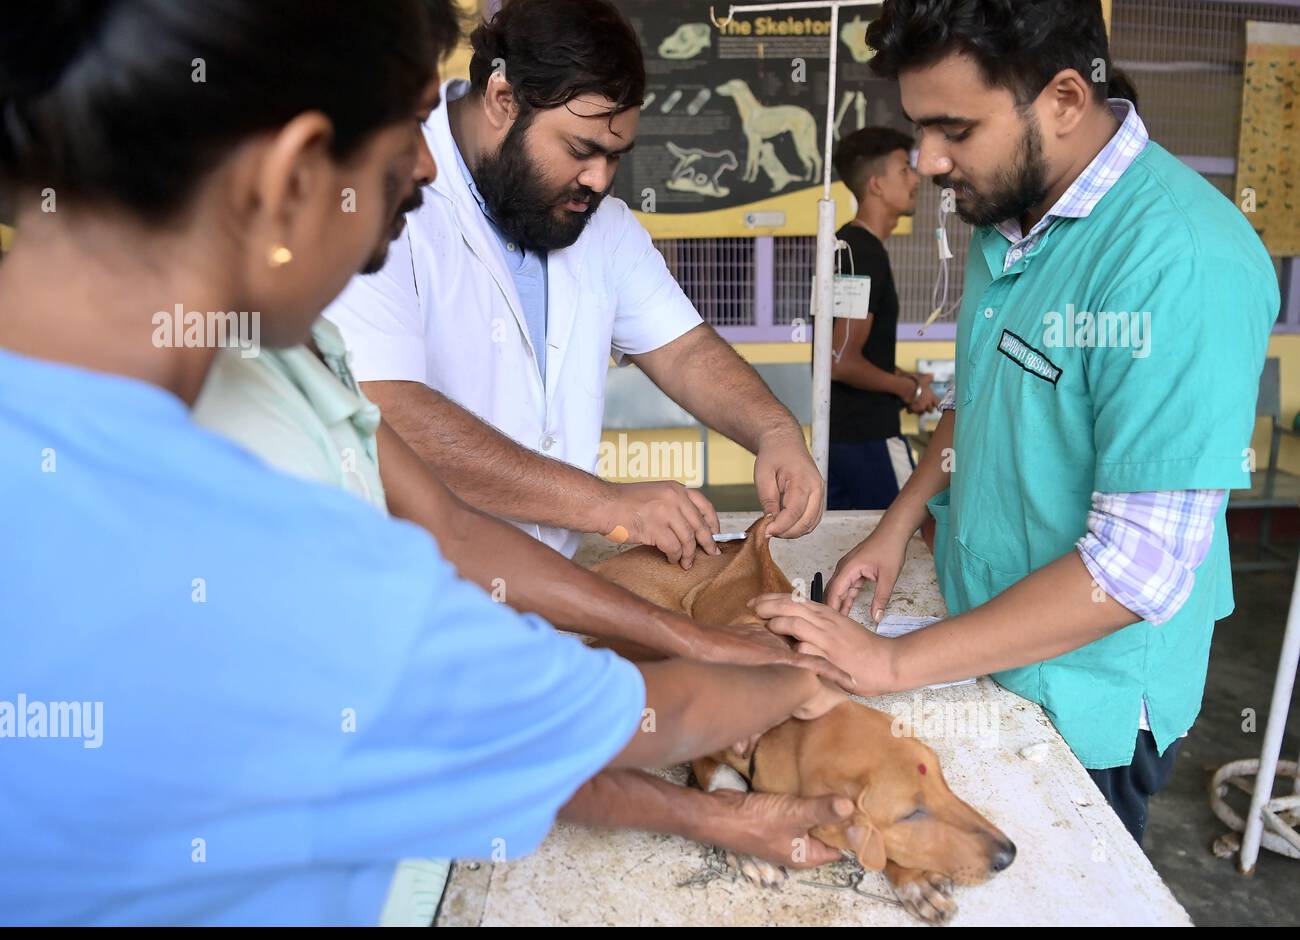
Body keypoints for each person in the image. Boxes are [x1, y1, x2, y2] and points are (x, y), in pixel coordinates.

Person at [0, 0, 845, 925]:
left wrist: (694, 636)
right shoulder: (282, 562)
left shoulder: (283, 358)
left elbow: (451, 535)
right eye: (406, 128)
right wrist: (796, 676)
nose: (426, 163)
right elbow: (579, 720)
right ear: (289, 178)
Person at [752, 0, 1280, 845]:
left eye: (952, 128)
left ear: (1066, 99)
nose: (926, 160)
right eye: (919, 129)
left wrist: (889, 662)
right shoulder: (1015, 225)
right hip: (976, 643)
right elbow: (981, 397)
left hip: (1082, 693)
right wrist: (899, 521)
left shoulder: (1179, 263)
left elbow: (1136, 569)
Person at [324, 0, 825, 570]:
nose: (599, 180)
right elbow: (387, 412)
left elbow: (683, 350)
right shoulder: (387, 197)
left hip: (544, 586)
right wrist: (607, 503)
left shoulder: (599, 222)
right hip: (405, 586)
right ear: (502, 100)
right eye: (581, 150)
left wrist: (775, 429)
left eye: (616, 157)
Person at [828, 126, 938, 510]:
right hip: (869, 439)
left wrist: (904, 380)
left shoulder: (847, 245)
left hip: (838, 441)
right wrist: (908, 390)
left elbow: (846, 353)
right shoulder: (863, 252)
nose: (916, 178)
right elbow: (840, 362)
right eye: (903, 170)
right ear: (875, 185)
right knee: (908, 543)